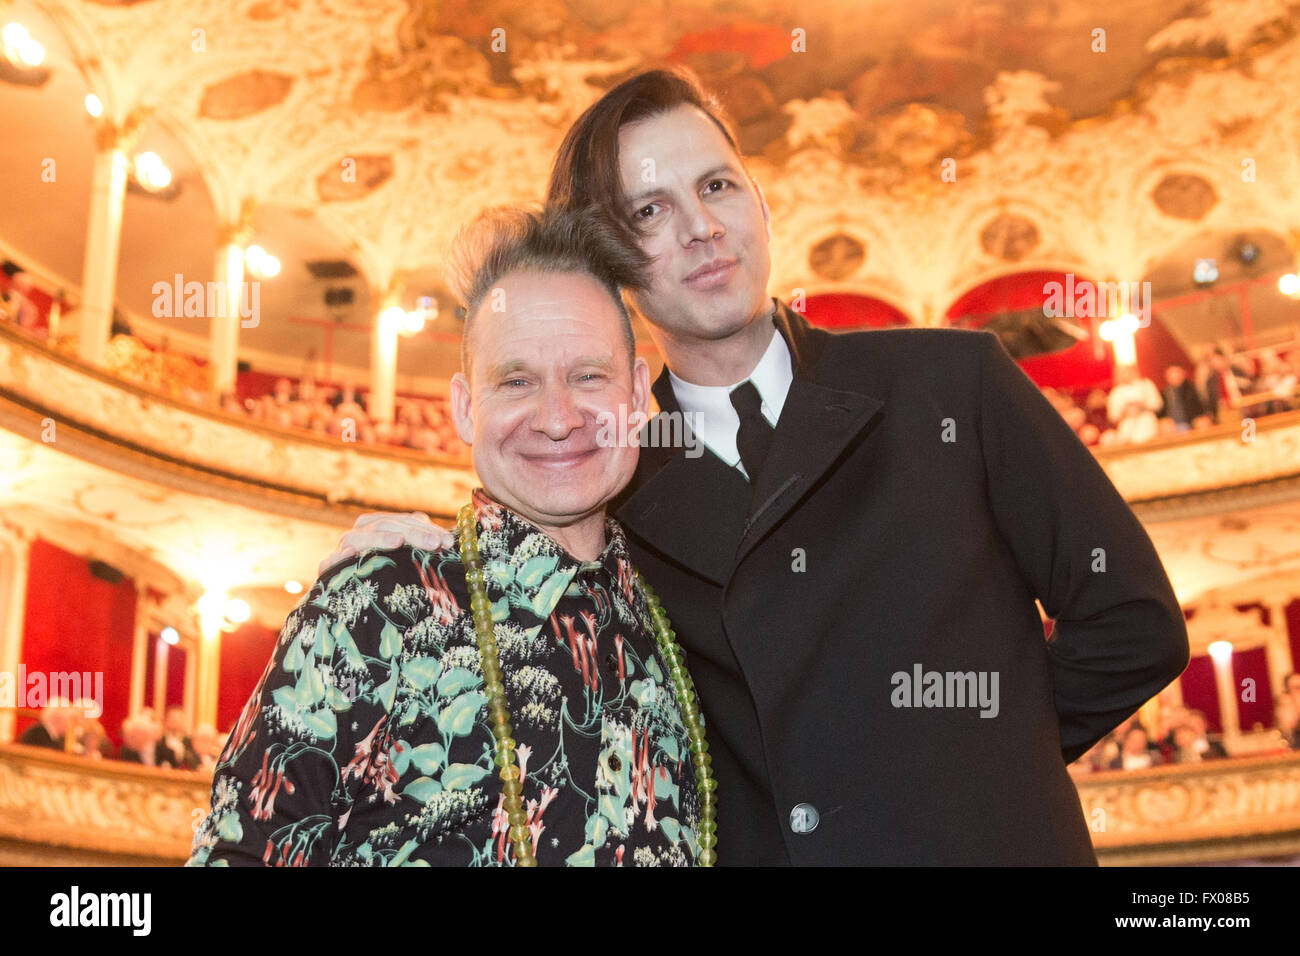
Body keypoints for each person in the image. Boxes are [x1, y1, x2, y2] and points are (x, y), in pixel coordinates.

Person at [322, 66, 1189, 865]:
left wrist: (978, 768)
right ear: (610, 265)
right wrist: (428, 557)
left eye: (717, 186)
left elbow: (1134, 622)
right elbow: (533, 623)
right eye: (649, 211)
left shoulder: (953, 381)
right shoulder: (610, 478)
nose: (701, 227)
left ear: (762, 202)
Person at [189, 205, 709, 867]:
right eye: (516, 381)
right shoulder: (375, 606)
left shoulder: (679, 622)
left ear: (636, 396)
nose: (557, 418)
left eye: (588, 376)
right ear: (465, 408)